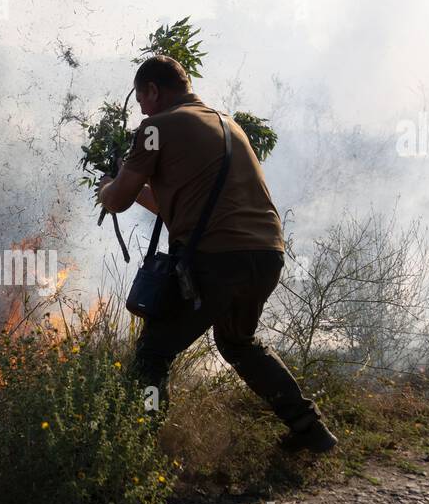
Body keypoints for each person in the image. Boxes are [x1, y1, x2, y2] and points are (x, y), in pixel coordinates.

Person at [97, 54, 337, 453]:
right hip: (265, 254)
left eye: (142, 99)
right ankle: (310, 431)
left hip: (218, 258)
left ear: (154, 90)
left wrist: (110, 185)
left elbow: (116, 201)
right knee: (237, 342)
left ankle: (138, 449)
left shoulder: (155, 127)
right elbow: (185, 205)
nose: (141, 109)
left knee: (154, 352)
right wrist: (135, 188)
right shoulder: (228, 124)